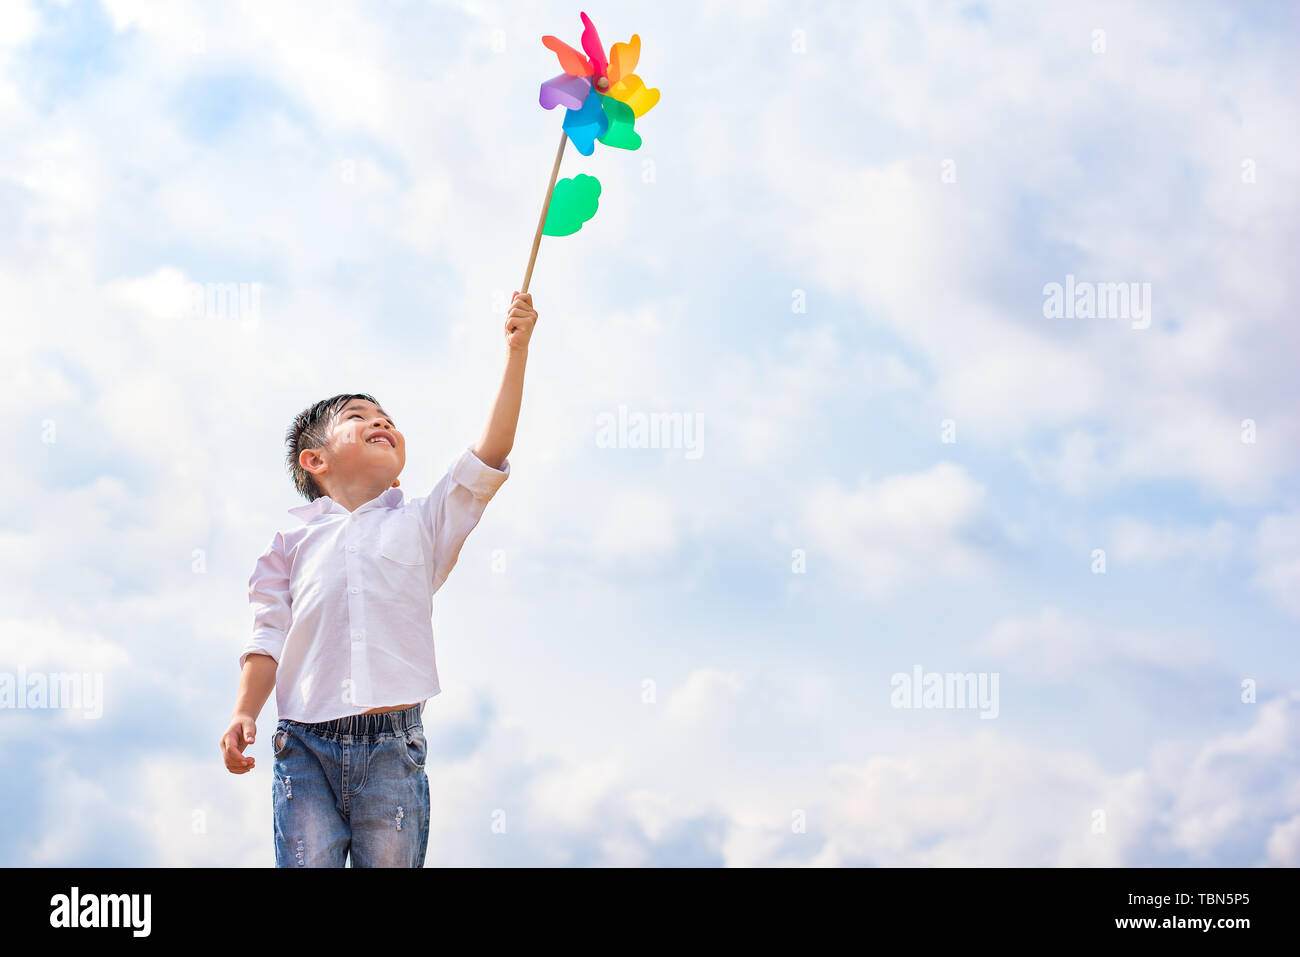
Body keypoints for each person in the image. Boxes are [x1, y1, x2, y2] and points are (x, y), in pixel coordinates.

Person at [218, 292, 538, 867]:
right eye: (358, 418)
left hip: (393, 747)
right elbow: (266, 638)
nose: (381, 422)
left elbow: (491, 451)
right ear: (314, 461)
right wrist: (245, 710)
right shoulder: (289, 544)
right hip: (304, 748)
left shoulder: (423, 522)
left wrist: (516, 352)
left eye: (387, 418)